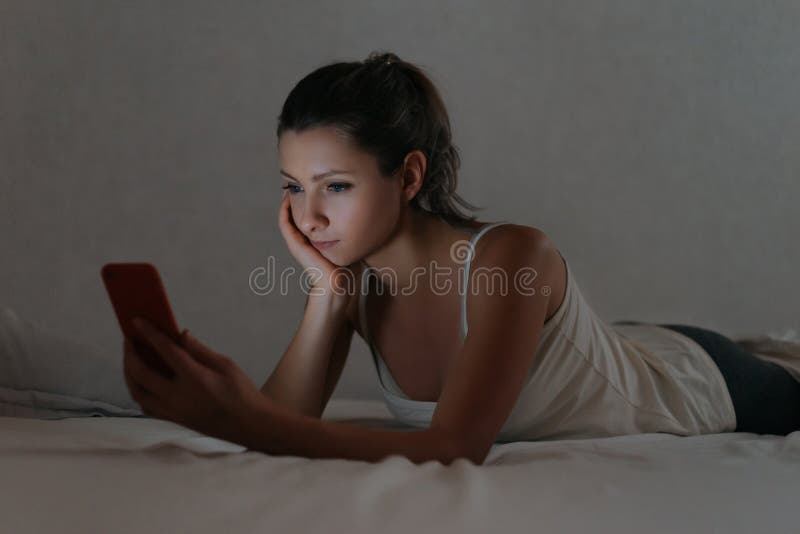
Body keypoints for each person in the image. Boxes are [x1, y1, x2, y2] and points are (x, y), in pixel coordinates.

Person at [121, 51, 800, 465]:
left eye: (337, 186)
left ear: (409, 178)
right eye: (293, 188)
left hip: (698, 379)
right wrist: (326, 298)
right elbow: (281, 423)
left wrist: (242, 416)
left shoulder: (511, 256)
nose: (309, 215)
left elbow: (455, 447)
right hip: (622, 345)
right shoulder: (352, 284)